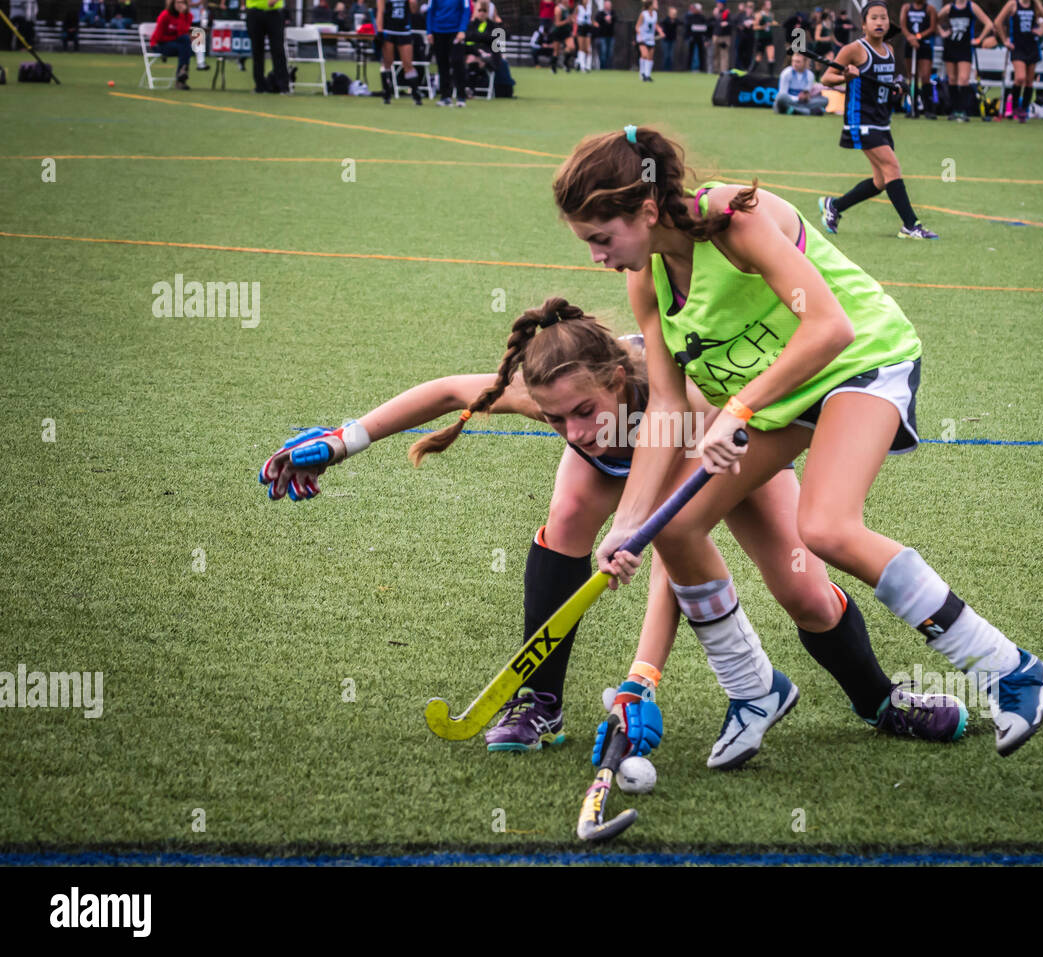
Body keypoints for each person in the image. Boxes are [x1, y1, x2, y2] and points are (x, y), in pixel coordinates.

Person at [260, 299, 966, 761]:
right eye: (556, 417)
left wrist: (641, 677)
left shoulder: (678, 402)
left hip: (724, 453)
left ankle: (880, 700)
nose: (572, 428)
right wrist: (344, 439)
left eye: (584, 411)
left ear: (617, 376)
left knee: (803, 593)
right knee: (568, 512)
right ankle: (540, 702)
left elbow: (678, 552)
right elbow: (451, 390)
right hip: (630, 473)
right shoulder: (564, 397)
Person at [554, 125, 1043, 759]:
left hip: (861, 363)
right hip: (783, 397)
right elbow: (670, 406)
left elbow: (829, 327)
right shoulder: (648, 278)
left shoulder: (736, 219)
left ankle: (1010, 670)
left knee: (826, 527)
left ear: (646, 210)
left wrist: (737, 409)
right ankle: (754, 690)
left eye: (602, 238)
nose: (596, 255)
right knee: (674, 529)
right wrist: (628, 524)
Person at [819, 1, 938, 240]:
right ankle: (911, 225)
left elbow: (884, 83)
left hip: (882, 119)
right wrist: (845, 75)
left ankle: (835, 206)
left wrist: (898, 87)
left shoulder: (890, 50)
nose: (880, 22)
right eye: (874, 18)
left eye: (883, 18)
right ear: (864, 24)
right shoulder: (854, 49)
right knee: (892, 168)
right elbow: (826, 78)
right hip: (860, 119)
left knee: (882, 180)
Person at [994, 0, 1043, 121]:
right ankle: (1016, 107)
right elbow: (997, 21)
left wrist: (1041, 31)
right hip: (1017, 47)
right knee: (1020, 78)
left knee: (1029, 81)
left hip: (1032, 47)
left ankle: (1024, 110)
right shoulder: (1013, 4)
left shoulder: (1035, 4)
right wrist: (1005, 40)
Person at [937, 1, 995, 120]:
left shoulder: (971, 6)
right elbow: (934, 21)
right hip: (951, 46)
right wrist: (942, 32)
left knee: (963, 79)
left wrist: (979, 39)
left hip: (965, 48)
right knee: (952, 79)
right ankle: (954, 110)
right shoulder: (949, 8)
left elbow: (989, 24)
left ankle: (963, 111)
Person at [376, 0, 424, 104]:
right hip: (388, 30)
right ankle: (386, 93)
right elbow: (380, 11)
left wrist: (413, 2)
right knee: (388, 61)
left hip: (404, 30)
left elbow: (414, 11)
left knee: (407, 63)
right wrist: (379, 30)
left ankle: (415, 94)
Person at [900, 0, 939, 118]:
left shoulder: (930, 9)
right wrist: (910, 38)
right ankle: (912, 108)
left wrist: (919, 36)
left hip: (925, 45)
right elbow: (903, 26)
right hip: (910, 45)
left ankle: (928, 109)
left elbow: (933, 27)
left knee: (925, 76)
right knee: (912, 76)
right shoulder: (906, 7)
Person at [427, 0, 470, 105]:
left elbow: (466, 10)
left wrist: (462, 30)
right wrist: (429, 31)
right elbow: (430, 11)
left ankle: (461, 97)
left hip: (455, 32)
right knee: (442, 64)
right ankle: (445, 96)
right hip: (438, 32)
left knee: (457, 61)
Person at [246, 0, 291, 93]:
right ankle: (260, 86)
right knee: (257, 50)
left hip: (274, 12)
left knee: (278, 50)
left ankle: (282, 86)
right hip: (254, 12)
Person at [150, 0, 195, 90]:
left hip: (177, 44)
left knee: (185, 42)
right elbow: (159, 38)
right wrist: (175, 38)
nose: (180, 5)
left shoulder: (188, 16)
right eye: (178, 2)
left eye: (183, 3)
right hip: (160, 45)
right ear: (173, 4)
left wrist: (182, 15)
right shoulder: (165, 15)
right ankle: (181, 77)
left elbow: (182, 32)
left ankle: (182, 73)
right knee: (185, 47)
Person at [635, 0, 665, 81]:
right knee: (644, 55)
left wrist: (660, 31)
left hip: (651, 39)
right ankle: (642, 74)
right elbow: (637, 27)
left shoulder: (655, 14)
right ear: (650, 5)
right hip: (642, 38)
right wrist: (640, 36)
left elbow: (655, 24)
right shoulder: (643, 14)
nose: (657, 4)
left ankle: (648, 75)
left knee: (650, 58)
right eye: (655, 3)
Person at [753, 0, 776, 73]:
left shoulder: (771, 14)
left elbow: (771, 23)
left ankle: (771, 77)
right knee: (758, 58)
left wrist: (775, 24)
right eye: (768, 3)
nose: (770, 4)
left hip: (769, 38)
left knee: (771, 57)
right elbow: (754, 27)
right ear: (763, 5)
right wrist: (763, 26)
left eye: (770, 3)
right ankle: (750, 73)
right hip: (760, 39)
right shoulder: (759, 15)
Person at [686, 2, 709, 71]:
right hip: (692, 38)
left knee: (701, 54)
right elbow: (688, 27)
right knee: (690, 53)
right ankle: (688, 68)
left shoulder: (702, 17)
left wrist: (705, 39)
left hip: (700, 38)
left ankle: (701, 69)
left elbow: (705, 28)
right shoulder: (689, 17)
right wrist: (689, 36)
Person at [595, 0, 617, 68]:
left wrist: (610, 18)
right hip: (602, 36)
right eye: (606, 5)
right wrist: (605, 19)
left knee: (610, 53)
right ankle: (602, 67)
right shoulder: (600, 13)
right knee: (603, 52)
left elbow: (616, 18)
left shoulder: (613, 13)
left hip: (611, 36)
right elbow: (597, 20)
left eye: (609, 5)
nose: (608, 6)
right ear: (604, 5)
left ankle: (609, 67)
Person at [709, 0, 730, 72]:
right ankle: (715, 70)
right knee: (715, 54)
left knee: (724, 54)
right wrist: (715, 16)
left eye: (719, 3)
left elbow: (732, 23)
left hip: (725, 37)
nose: (718, 4)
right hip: (716, 36)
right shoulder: (716, 12)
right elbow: (710, 23)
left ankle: (723, 71)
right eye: (717, 3)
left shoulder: (727, 12)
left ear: (723, 4)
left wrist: (727, 24)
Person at [660, 4, 680, 69]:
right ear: (669, 13)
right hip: (665, 40)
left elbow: (682, 23)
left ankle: (669, 69)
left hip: (672, 40)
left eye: (675, 13)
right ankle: (665, 69)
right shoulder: (666, 20)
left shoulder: (676, 21)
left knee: (671, 56)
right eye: (673, 13)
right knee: (666, 55)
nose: (674, 14)